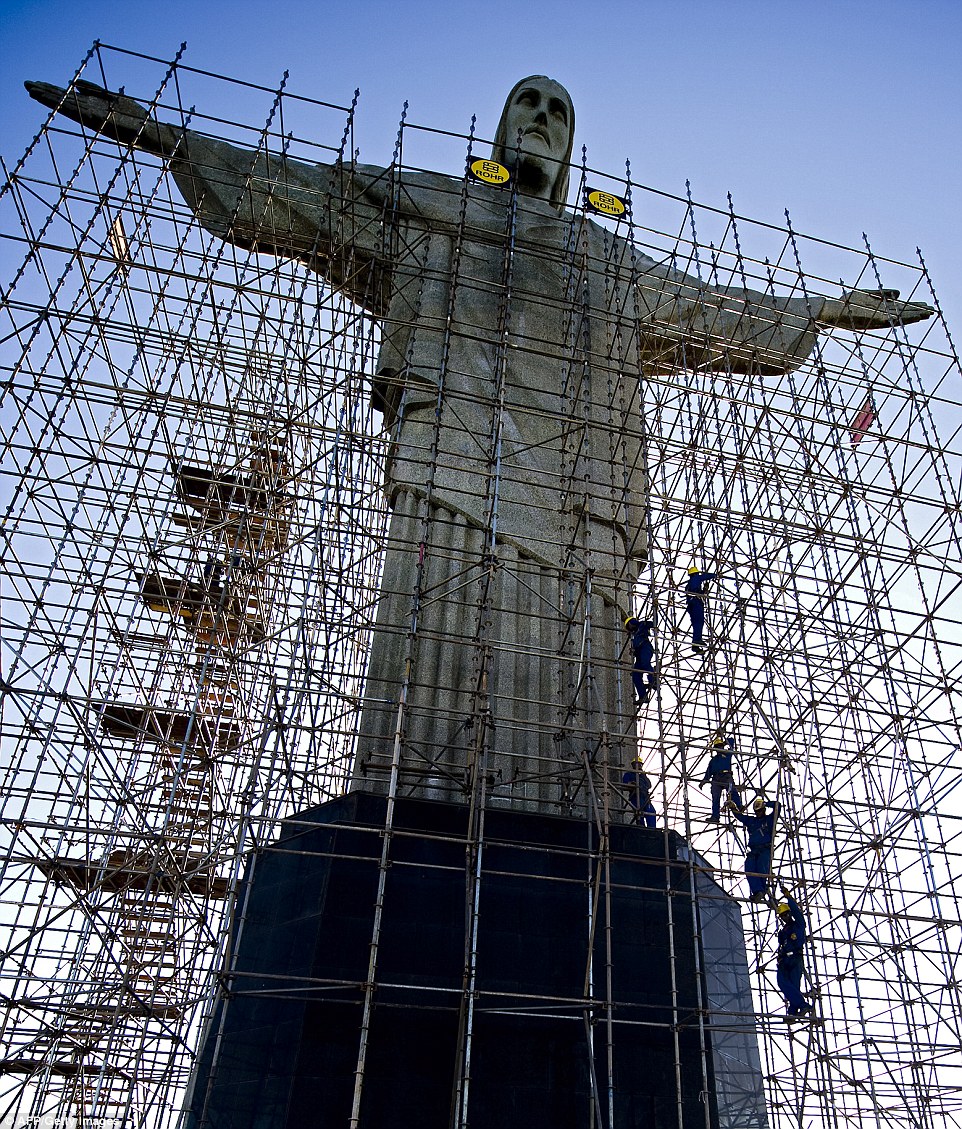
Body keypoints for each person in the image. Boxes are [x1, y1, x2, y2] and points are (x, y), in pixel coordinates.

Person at [24, 75, 934, 813]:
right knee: (439, 634)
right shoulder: (429, 209)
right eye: (526, 105)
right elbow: (304, 196)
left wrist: (818, 310)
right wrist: (173, 141)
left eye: (558, 112)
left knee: (577, 674)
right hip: (455, 465)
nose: (539, 120)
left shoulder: (608, 260)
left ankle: (573, 809)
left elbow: (715, 311)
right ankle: (413, 791)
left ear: (571, 150)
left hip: (584, 498)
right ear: (500, 130)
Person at [731, 796, 779, 902]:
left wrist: (765, 803)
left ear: (764, 810)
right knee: (749, 869)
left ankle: (761, 890)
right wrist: (733, 808)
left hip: (765, 849)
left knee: (762, 869)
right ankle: (758, 891)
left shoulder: (769, 820)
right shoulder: (751, 820)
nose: (758, 813)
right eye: (756, 811)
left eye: (760, 810)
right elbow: (740, 817)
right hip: (754, 850)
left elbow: (777, 806)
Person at [775, 889, 814, 1019]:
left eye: (786, 914)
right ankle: (800, 1006)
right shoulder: (783, 931)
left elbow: (797, 912)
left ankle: (794, 1010)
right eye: (782, 916)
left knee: (794, 985)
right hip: (785, 960)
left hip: (796, 958)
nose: (785, 917)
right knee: (783, 982)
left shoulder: (798, 925)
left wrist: (789, 898)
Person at [700, 734, 741, 821]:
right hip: (716, 778)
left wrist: (724, 742)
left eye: (720, 746)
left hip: (726, 776)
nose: (719, 748)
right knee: (715, 798)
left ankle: (739, 806)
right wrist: (703, 781)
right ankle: (715, 816)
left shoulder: (727, 754)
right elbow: (708, 772)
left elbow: (731, 740)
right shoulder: (713, 760)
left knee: (732, 791)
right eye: (717, 746)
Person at [624, 617, 657, 706]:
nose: (629, 627)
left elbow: (654, 623)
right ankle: (643, 696)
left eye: (629, 625)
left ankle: (653, 680)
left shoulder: (642, 625)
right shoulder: (635, 634)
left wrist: (655, 608)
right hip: (639, 653)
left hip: (645, 647)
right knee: (636, 674)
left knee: (645, 663)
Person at [685, 567, 718, 650]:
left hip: (692, 604)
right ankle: (696, 641)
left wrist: (704, 589)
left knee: (697, 623)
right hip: (696, 603)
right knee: (698, 622)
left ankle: (695, 645)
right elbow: (704, 577)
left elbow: (698, 592)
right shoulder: (695, 578)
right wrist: (715, 575)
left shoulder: (690, 584)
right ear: (695, 573)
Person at [621, 758, 656, 827]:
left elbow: (649, 785)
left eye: (640, 764)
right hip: (635, 796)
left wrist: (643, 775)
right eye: (637, 764)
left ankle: (652, 828)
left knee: (651, 812)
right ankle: (641, 826)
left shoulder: (643, 776)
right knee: (639, 812)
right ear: (633, 765)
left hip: (645, 797)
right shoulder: (629, 774)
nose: (639, 766)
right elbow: (625, 784)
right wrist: (631, 784)